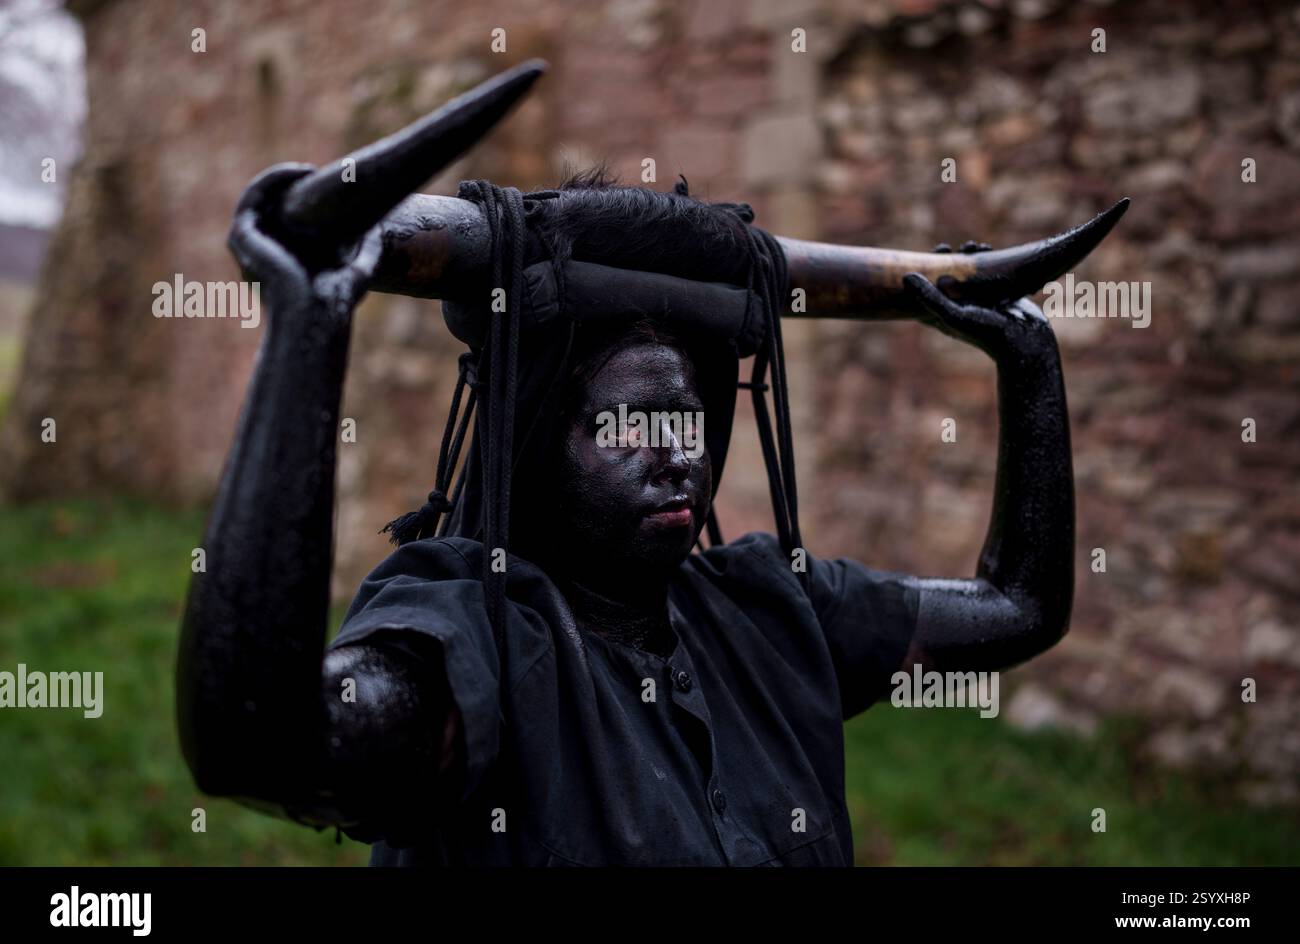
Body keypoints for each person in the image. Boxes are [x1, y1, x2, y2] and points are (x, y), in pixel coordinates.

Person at [178, 164, 1074, 866]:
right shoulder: (479, 644)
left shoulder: (768, 611)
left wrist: (1031, 368)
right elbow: (254, 740)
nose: (678, 453)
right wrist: (310, 324)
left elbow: (1019, 607)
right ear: (536, 443)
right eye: (629, 424)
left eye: (687, 419)